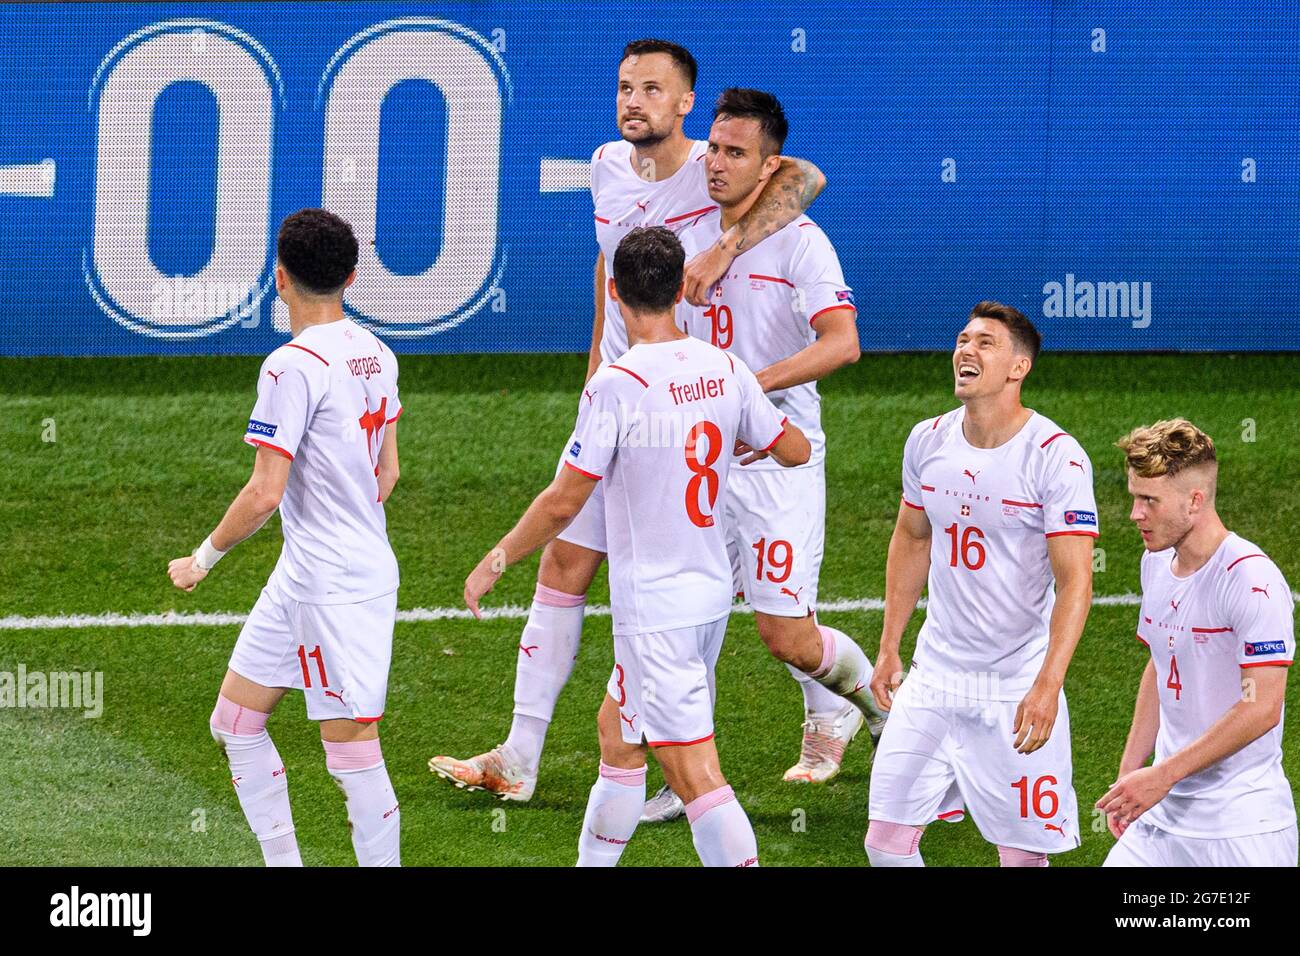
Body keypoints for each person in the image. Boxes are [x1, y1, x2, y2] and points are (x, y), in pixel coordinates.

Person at [431, 39, 827, 821]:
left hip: (674, 408)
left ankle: (696, 756)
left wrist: (723, 246)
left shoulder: (709, 170)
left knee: (684, 590)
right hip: (613, 394)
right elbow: (604, 270)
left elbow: (807, 178)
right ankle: (519, 756)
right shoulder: (607, 163)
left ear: (686, 102)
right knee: (565, 565)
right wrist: (590, 374)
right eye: (624, 87)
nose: (633, 100)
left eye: (652, 88)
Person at [462, 226, 809, 866]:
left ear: (615, 291)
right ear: (682, 289)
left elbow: (565, 500)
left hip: (657, 611)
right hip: (706, 597)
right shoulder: (724, 367)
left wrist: (498, 557)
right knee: (618, 737)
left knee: (697, 775)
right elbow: (796, 449)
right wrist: (735, 437)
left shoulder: (618, 383)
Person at [167, 209, 404, 866]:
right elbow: (388, 472)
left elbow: (265, 493)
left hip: (334, 586)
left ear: (279, 278)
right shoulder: (377, 352)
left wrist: (202, 559)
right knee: (235, 723)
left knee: (353, 753)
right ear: (352, 276)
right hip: (310, 576)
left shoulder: (290, 365)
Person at [677, 88, 885, 784]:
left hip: (778, 461)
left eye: (737, 153)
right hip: (705, 464)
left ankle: (885, 707)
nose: (717, 164)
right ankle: (687, 778)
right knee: (686, 622)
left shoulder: (802, 243)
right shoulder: (686, 226)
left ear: (770, 168)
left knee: (785, 634)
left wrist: (749, 390)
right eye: (713, 147)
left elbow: (844, 343)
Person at [865, 302, 1095, 867]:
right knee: (885, 844)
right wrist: (890, 644)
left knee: (1020, 858)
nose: (966, 350)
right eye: (962, 339)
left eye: (985, 343)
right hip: (933, 681)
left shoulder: (1055, 458)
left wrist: (1048, 684)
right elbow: (913, 537)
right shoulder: (927, 440)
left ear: (1019, 368)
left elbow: (1075, 581)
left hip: (1012, 690)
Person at [1098, 419, 1296, 866]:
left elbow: (1261, 707)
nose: (1135, 515)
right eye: (1134, 498)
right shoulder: (1156, 564)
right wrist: (1132, 771)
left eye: (1149, 501)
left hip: (1242, 827)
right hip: (1161, 821)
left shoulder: (1251, 579)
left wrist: (1162, 776)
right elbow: (1161, 662)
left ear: (1195, 500)